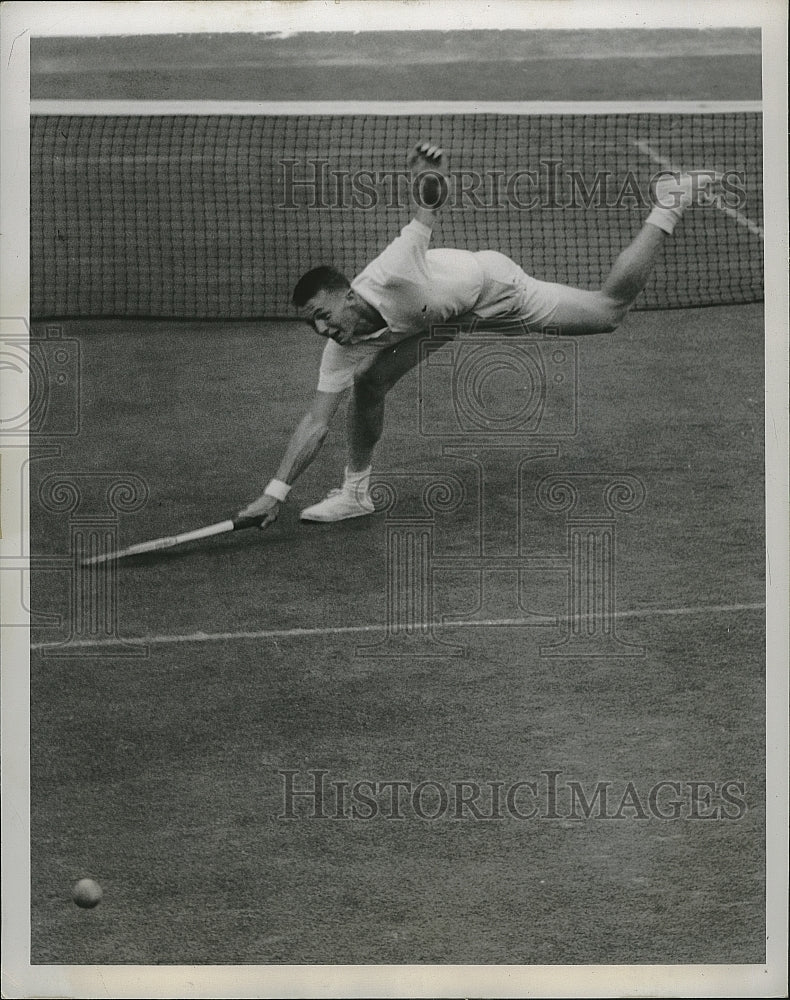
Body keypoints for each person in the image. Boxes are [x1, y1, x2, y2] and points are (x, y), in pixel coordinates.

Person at [237, 142, 715, 527]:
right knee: (368, 381)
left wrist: (428, 174)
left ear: (346, 295)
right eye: (312, 323)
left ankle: (669, 204)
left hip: (494, 292)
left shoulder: (393, 270)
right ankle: (356, 494)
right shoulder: (339, 346)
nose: (323, 329)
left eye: (324, 314)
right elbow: (316, 422)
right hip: (442, 321)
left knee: (609, 312)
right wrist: (273, 493)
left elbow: (427, 208)